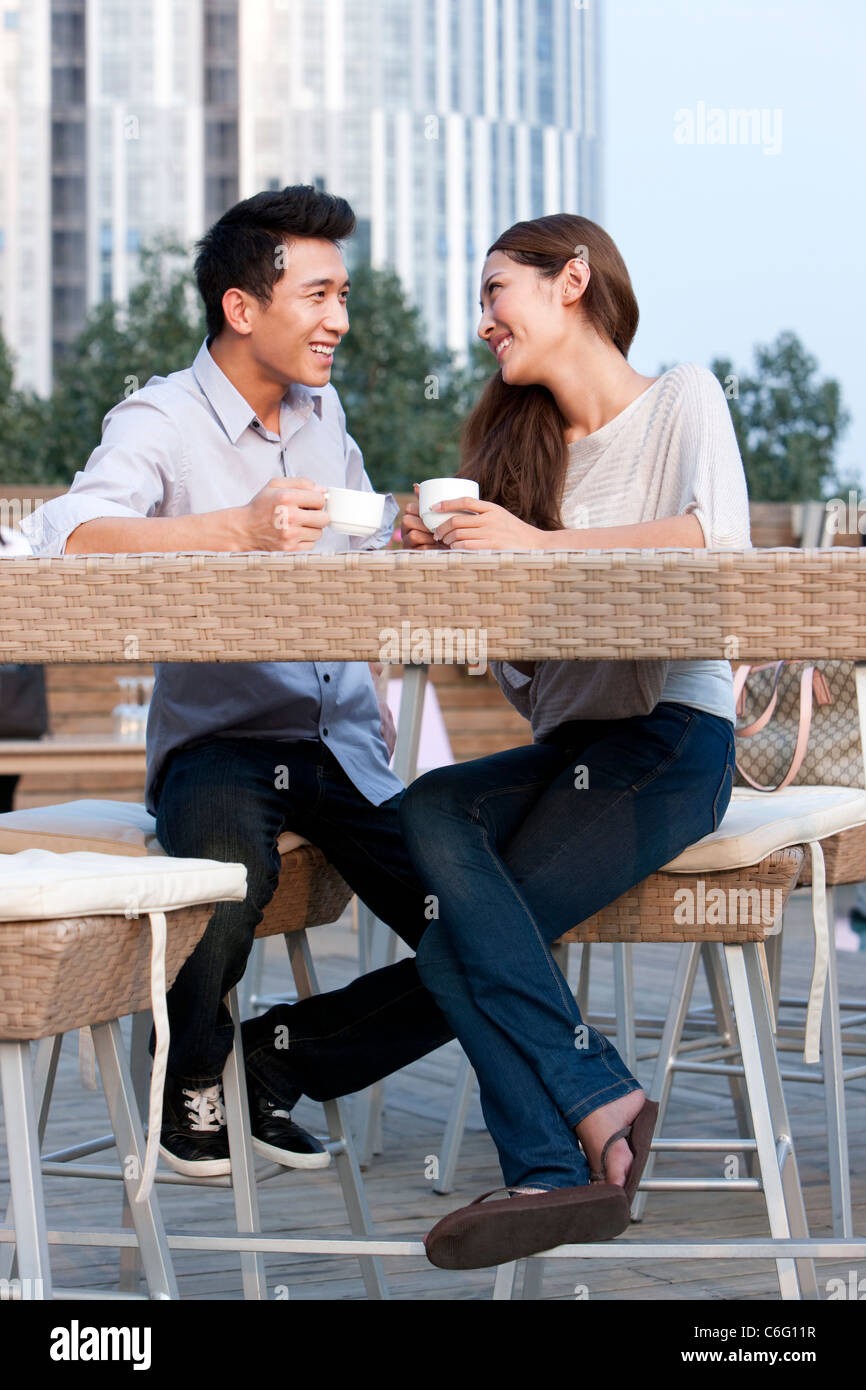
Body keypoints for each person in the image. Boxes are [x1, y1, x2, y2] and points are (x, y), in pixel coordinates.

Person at [20, 185, 456, 1178]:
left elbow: (338, 532)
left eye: (342, 295)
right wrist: (234, 529)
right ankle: (194, 1072)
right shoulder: (160, 418)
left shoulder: (321, 408)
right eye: (319, 295)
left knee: (474, 928)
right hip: (221, 741)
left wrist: (401, 536)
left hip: (343, 742)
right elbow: (74, 539)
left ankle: (279, 1055)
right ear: (242, 307)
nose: (340, 320)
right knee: (228, 877)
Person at [397, 212, 750, 1267]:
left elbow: (711, 543)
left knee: (456, 949)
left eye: (493, 290)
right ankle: (598, 1111)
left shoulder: (680, 395)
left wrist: (541, 548)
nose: (482, 323)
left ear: (572, 281)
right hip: (571, 746)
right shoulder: (514, 453)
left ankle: (553, 1163)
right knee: (424, 807)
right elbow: (531, 681)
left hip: (672, 739)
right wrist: (467, 584)